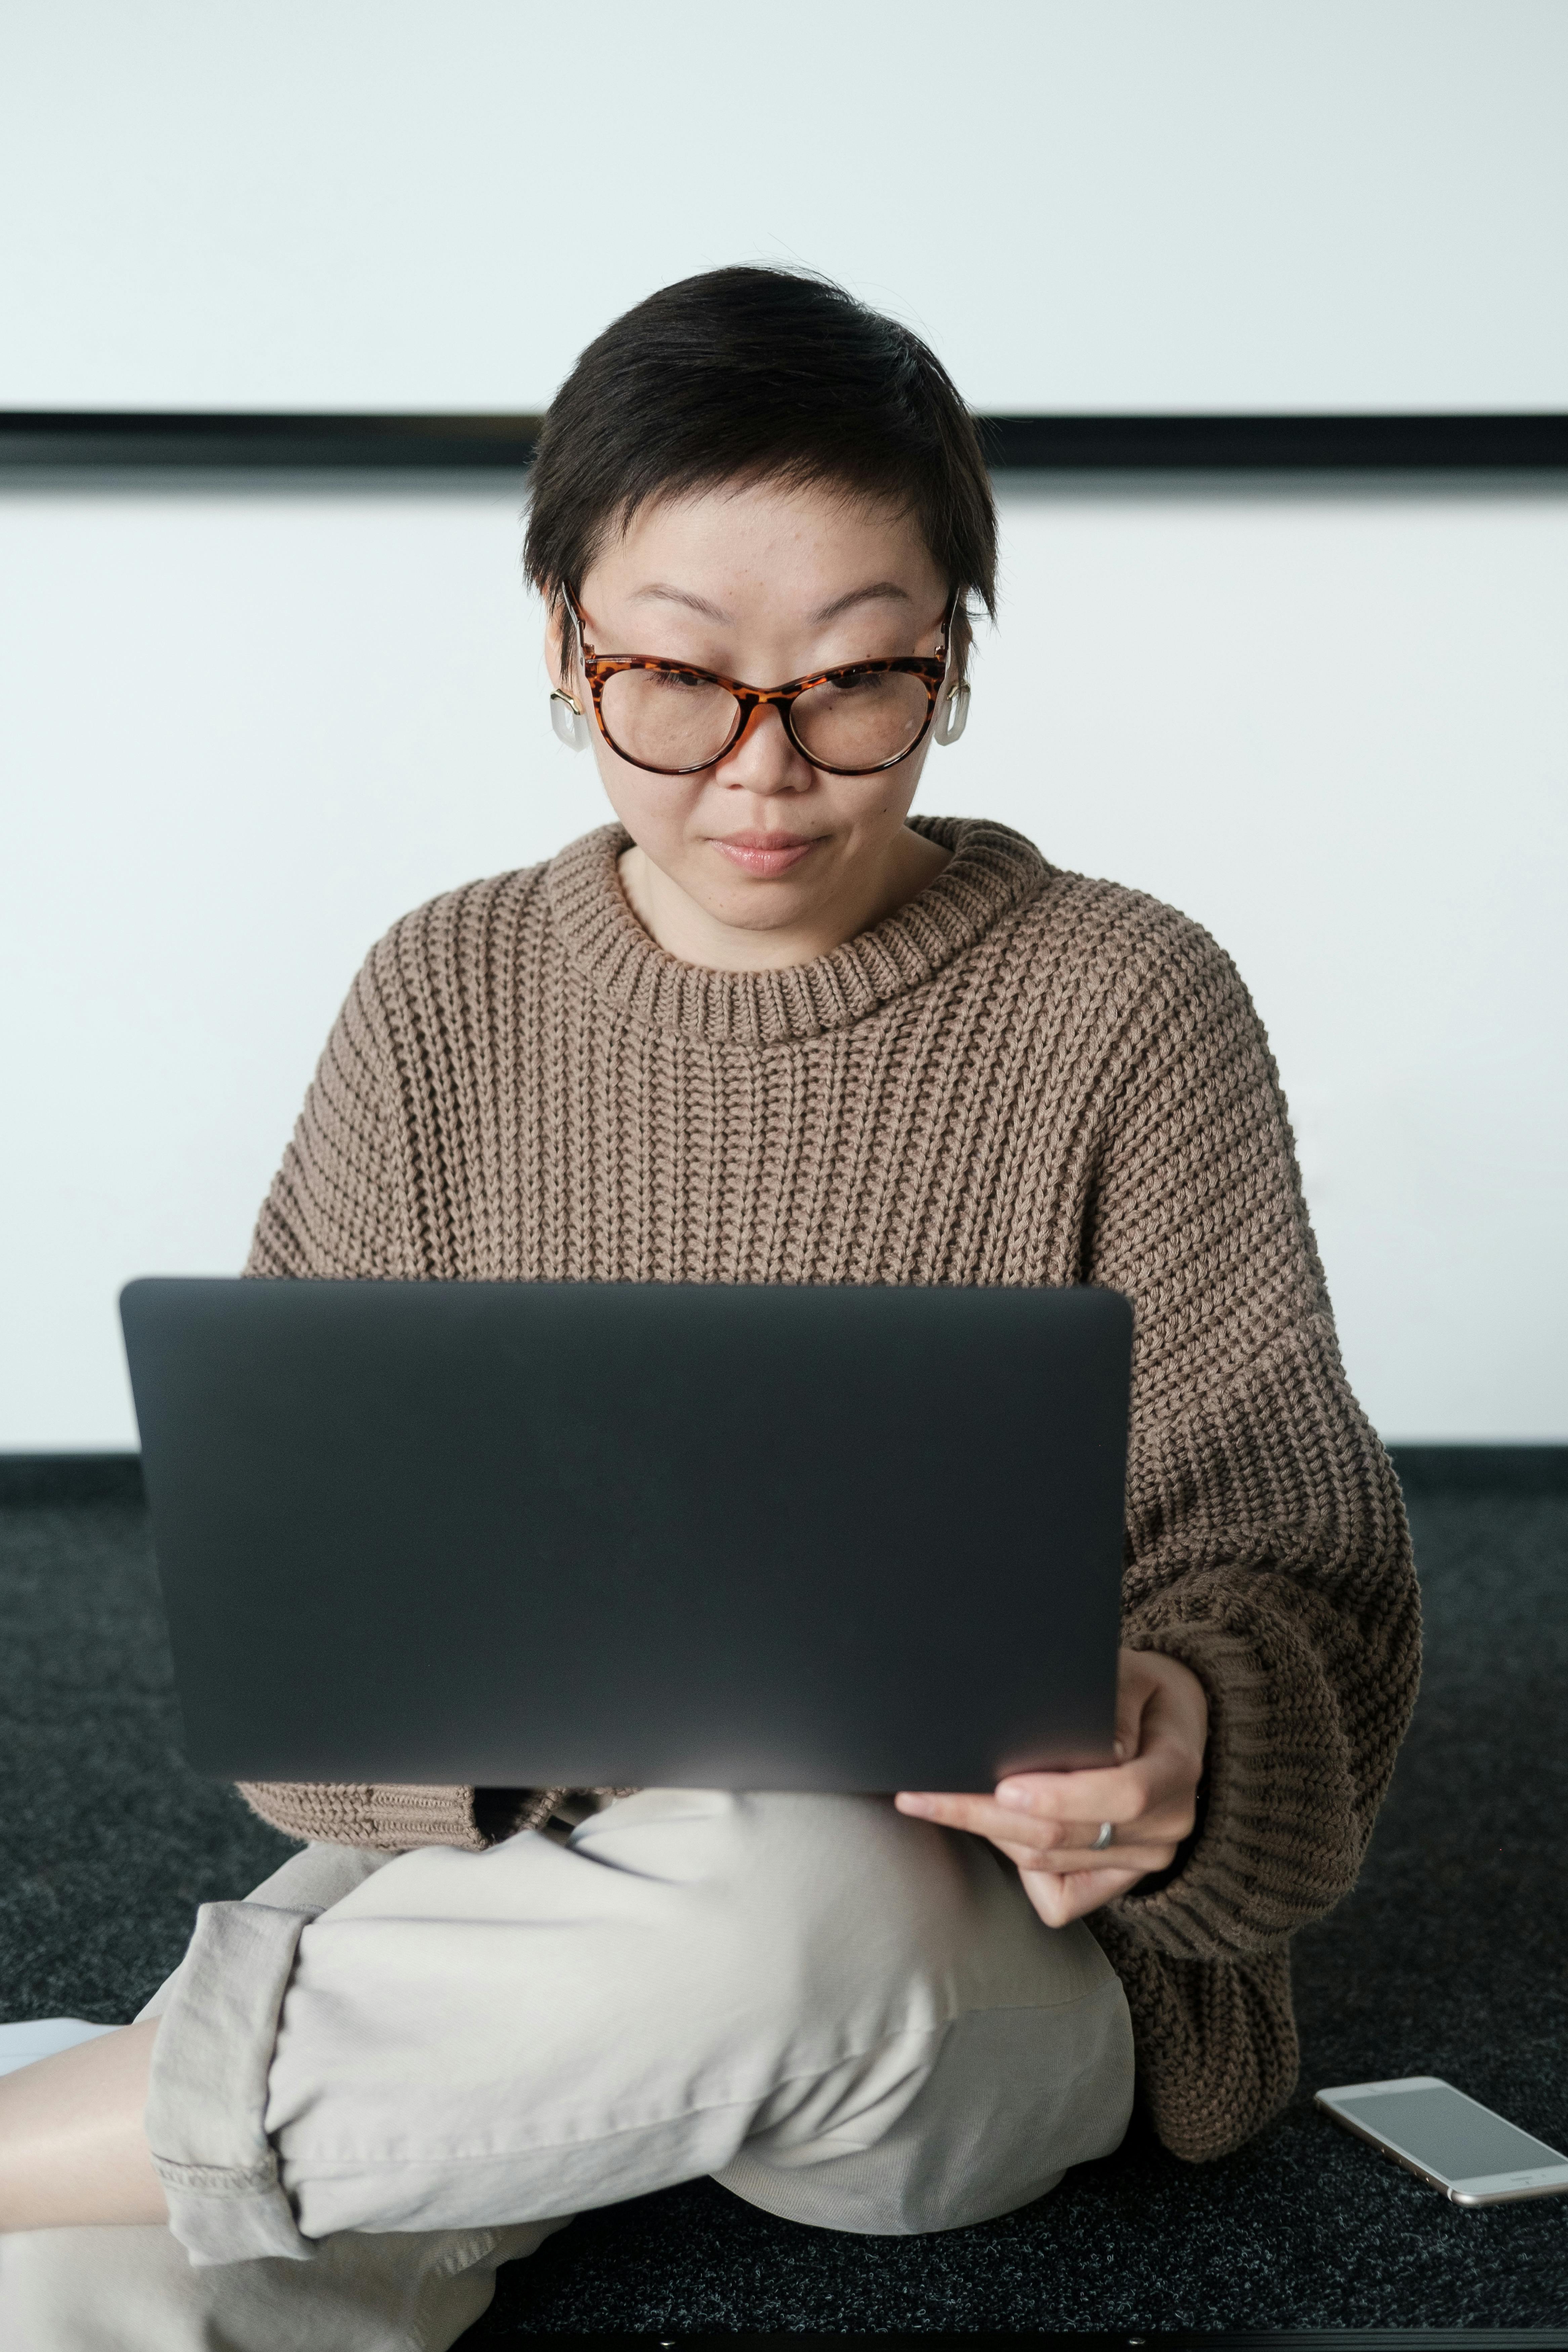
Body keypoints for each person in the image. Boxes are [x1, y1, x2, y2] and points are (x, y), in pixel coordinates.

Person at [0, 266, 1419, 2351]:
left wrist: (1186, 1732)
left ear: (954, 657)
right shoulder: (443, 994)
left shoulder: (1129, 1000)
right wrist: (473, 1776)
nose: (763, 773)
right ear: (565, 649)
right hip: (511, 1899)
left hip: (953, 1954)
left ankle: (90, 2088)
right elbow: (305, 1627)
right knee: (86, 2275)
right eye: (675, 676)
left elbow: (1304, 1585)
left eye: (857, 684)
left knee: (785, 1899)